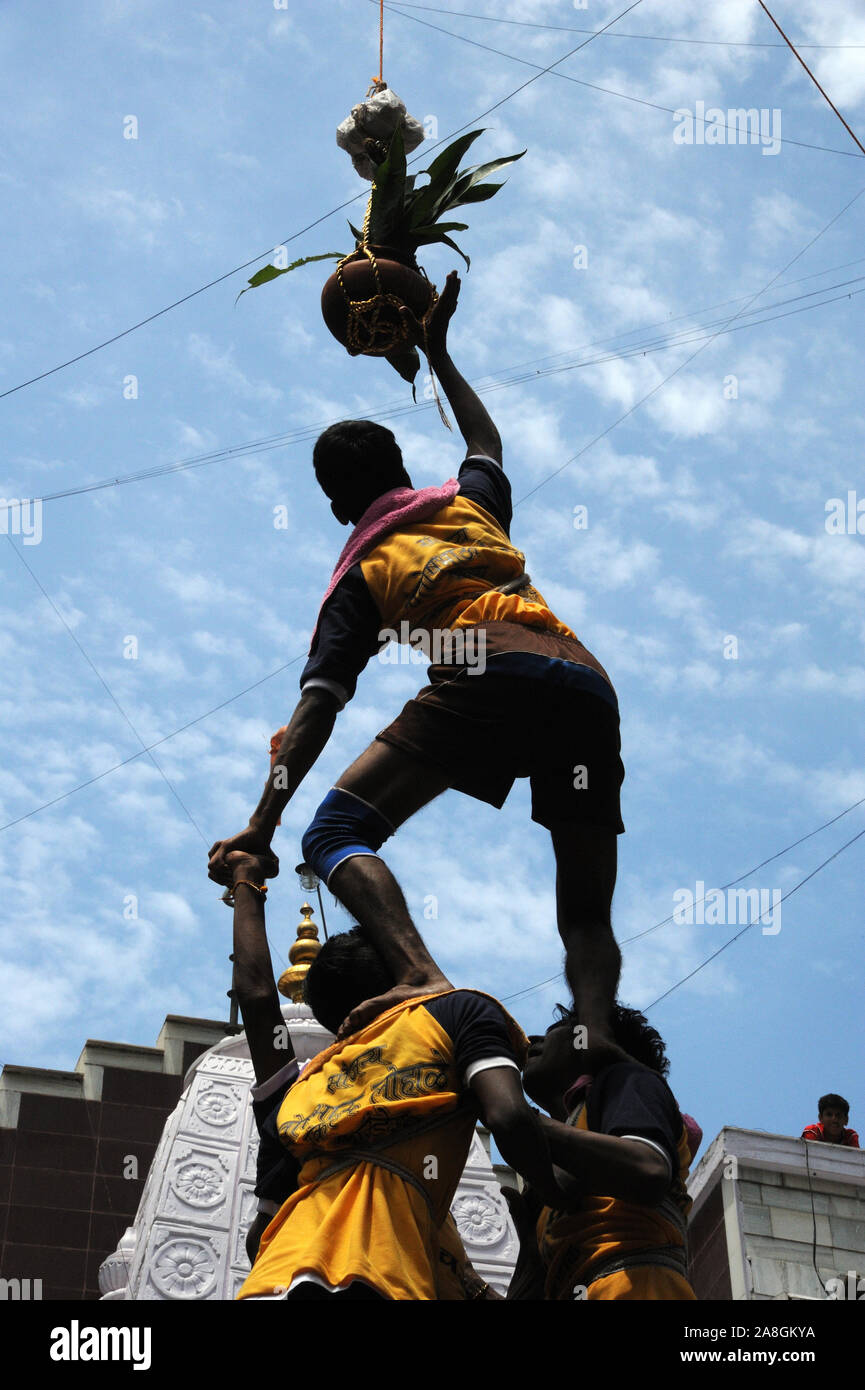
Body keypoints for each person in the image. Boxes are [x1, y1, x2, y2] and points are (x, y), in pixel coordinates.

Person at [208, 270, 626, 1061]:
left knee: (335, 830)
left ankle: (416, 973)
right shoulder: (465, 505)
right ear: (400, 467)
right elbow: (484, 444)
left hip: (486, 668)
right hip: (583, 680)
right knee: (584, 907)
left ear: (336, 503)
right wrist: (438, 352)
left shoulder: (360, 571)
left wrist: (261, 827)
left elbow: (318, 709)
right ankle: (597, 1039)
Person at [223, 847, 566, 1300]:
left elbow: (257, 996)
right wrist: (564, 1200)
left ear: (328, 1018)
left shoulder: (301, 1091)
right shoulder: (456, 1013)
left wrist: (246, 880)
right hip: (376, 1279)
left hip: (274, 1280)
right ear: (401, 971)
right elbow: (510, 1119)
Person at [506, 1002, 697, 1301]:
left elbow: (649, 1170)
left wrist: (523, 1121)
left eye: (552, 1031)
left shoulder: (628, 1081)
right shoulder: (548, 1178)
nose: (533, 1040)